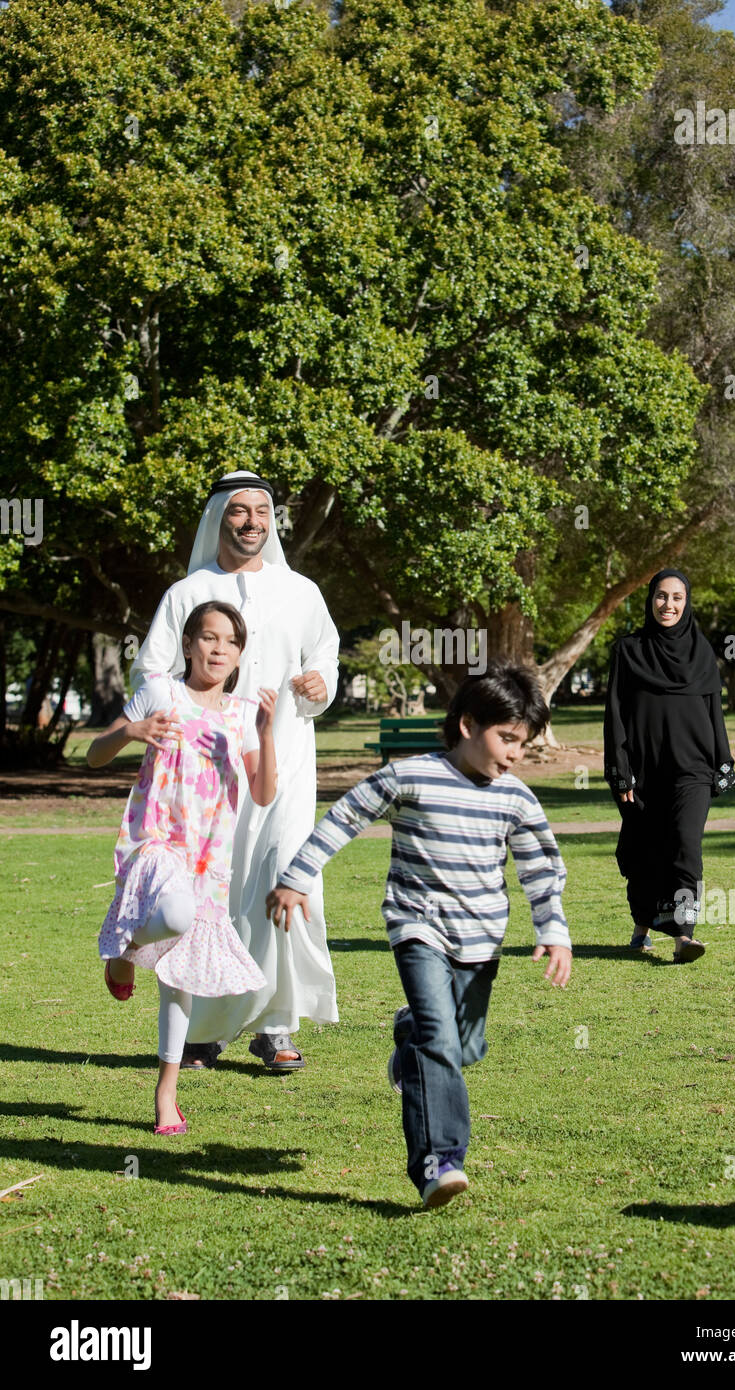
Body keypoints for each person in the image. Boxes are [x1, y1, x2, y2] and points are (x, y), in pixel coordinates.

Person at [266, 665, 573, 1210]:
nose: (514, 754)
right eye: (506, 739)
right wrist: (296, 877)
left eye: (522, 744)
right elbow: (344, 818)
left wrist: (554, 931)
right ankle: (439, 1161)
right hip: (418, 926)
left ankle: (407, 1038)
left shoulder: (517, 799)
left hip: (480, 940)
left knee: (463, 1048)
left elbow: (540, 871)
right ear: (467, 725)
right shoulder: (411, 776)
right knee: (441, 1039)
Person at [131, 470, 340, 1071]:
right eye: (240, 511)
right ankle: (202, 1027)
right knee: (210, 892)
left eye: (262, 512)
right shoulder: (186, 592)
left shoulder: (301, 590)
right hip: (205, 774)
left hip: (285, 761)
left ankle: (276, 1025)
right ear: (219, 518)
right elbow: (151, 670)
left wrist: (318, 683)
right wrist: (178, 711)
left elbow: (323, 654)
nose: (252, 522)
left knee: (282, 880)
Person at [90, 602, 277, 1133]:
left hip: (209, 860)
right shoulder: (161, 693)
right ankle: (125, 947)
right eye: (209, 638)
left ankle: (166, 1094)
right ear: (190, 643)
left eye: (230, 642)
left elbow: (263, 794)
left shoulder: (242, 715)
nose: (219, 650)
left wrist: (266, 732)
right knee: (175, 918)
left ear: (240, 653)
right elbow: (93, 757)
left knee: (179, 978)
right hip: (155, 842)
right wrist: (132, 731)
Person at [603, 568, 735, 963]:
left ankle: (684, 934)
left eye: (677, 597)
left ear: (687, 602)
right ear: (650, 600)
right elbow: (615, 715)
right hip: (643, 770)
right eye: (662, 596)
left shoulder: (702, 652)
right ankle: (642, 925)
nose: (669, 605)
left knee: (686, 844)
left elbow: (714, 712)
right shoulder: (628, 650)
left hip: (693, 768)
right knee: (644, 848)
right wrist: (620, 768)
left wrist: (723, 762)